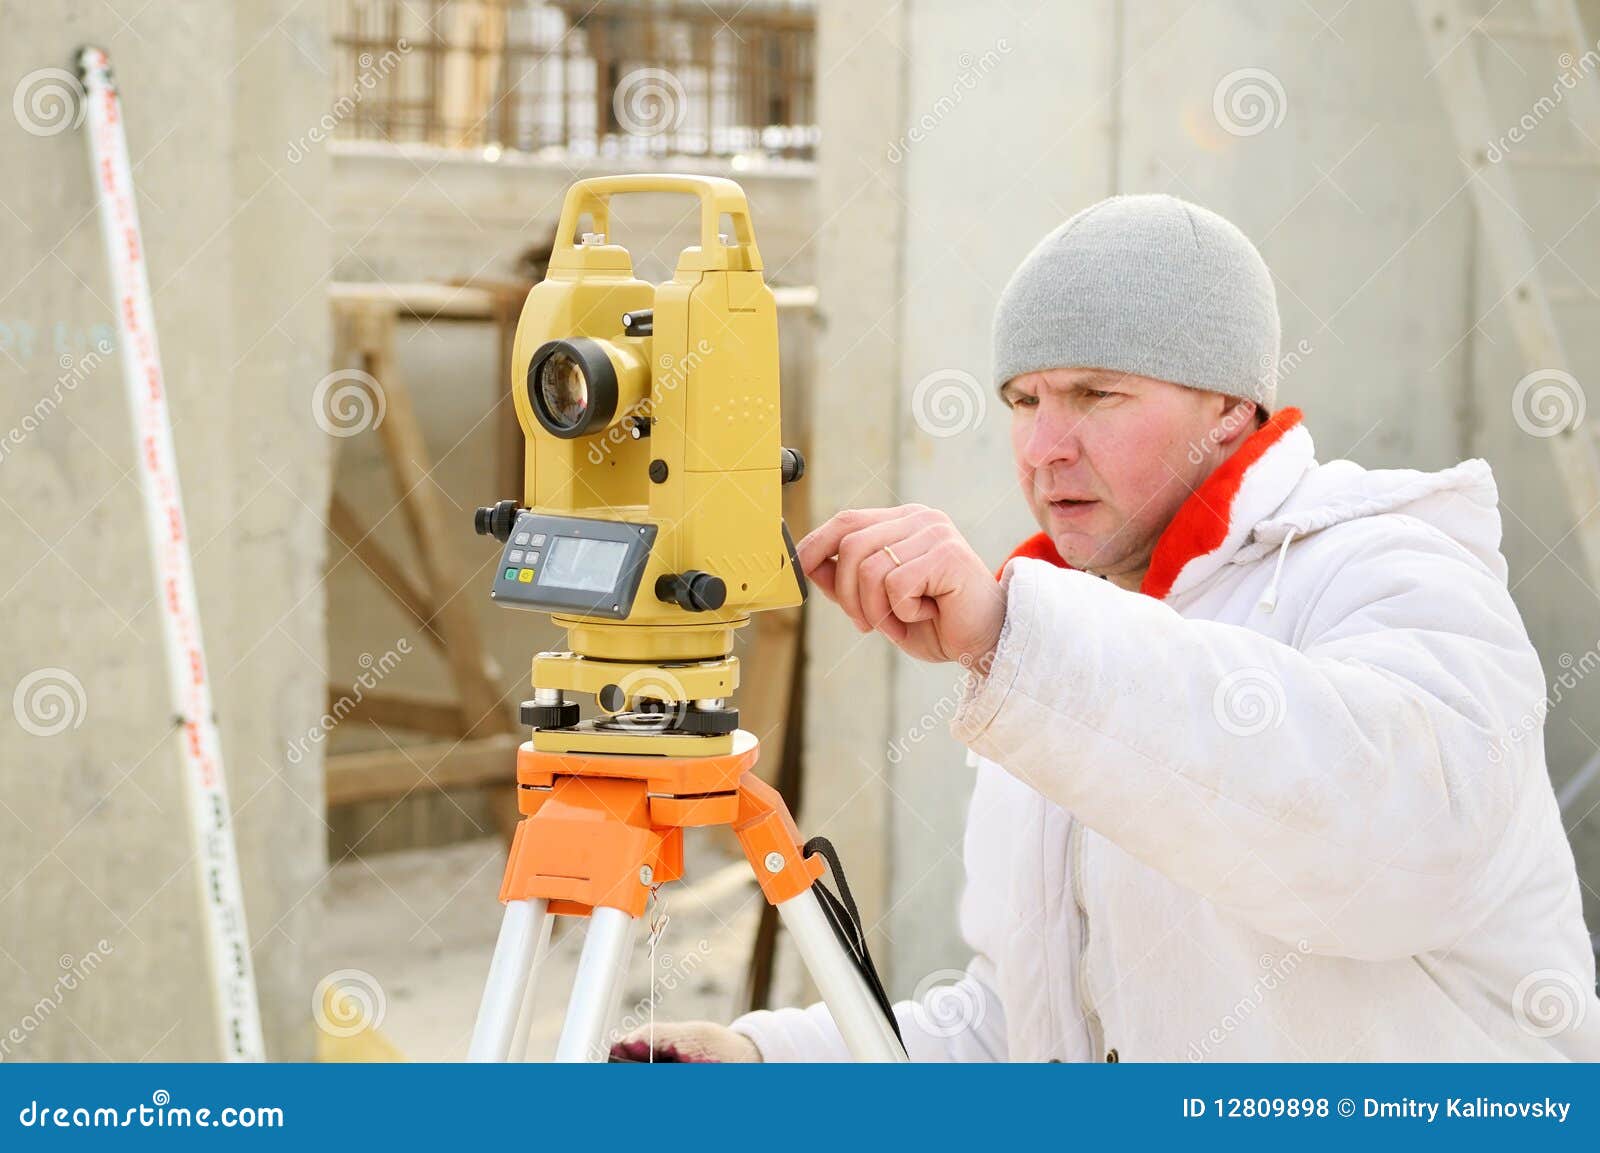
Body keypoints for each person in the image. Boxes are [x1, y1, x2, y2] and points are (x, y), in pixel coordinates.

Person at [617, 193, 1600, 1062]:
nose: (1045, 446)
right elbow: (1030, 1033)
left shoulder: (1390, 569)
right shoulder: (1055, 642)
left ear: (1228, 408)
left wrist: (1014, 639)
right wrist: (768, 1060)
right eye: (1025, 399)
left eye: (1096, 394)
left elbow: (1397, 851)